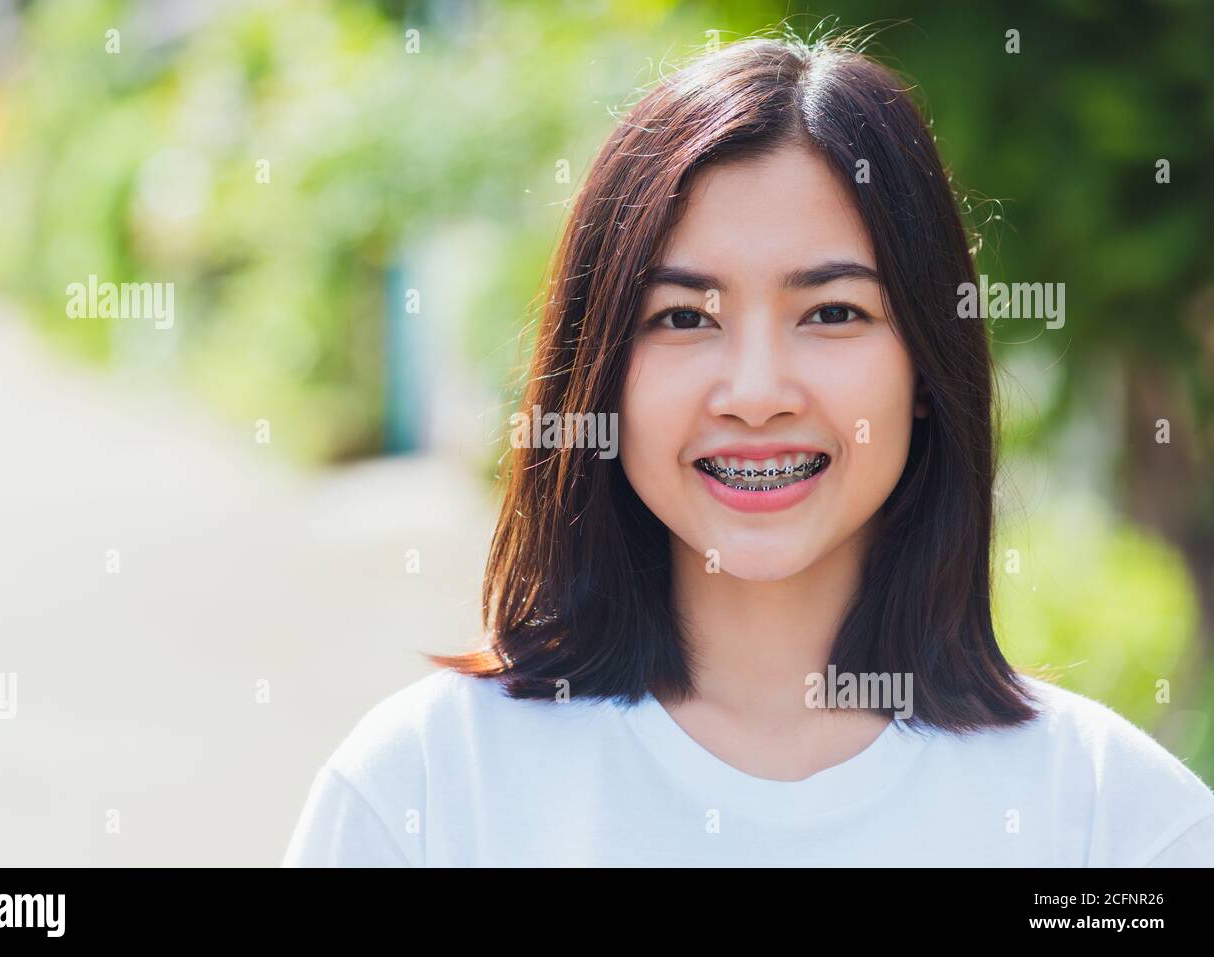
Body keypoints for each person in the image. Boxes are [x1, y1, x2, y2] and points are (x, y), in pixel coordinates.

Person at [282, 28, 1214, 867]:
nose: (758, 393)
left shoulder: (1109, 827)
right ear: (600, 368)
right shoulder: (428, 798)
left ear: (928, 368)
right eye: (685, 316)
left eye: (833, 312)